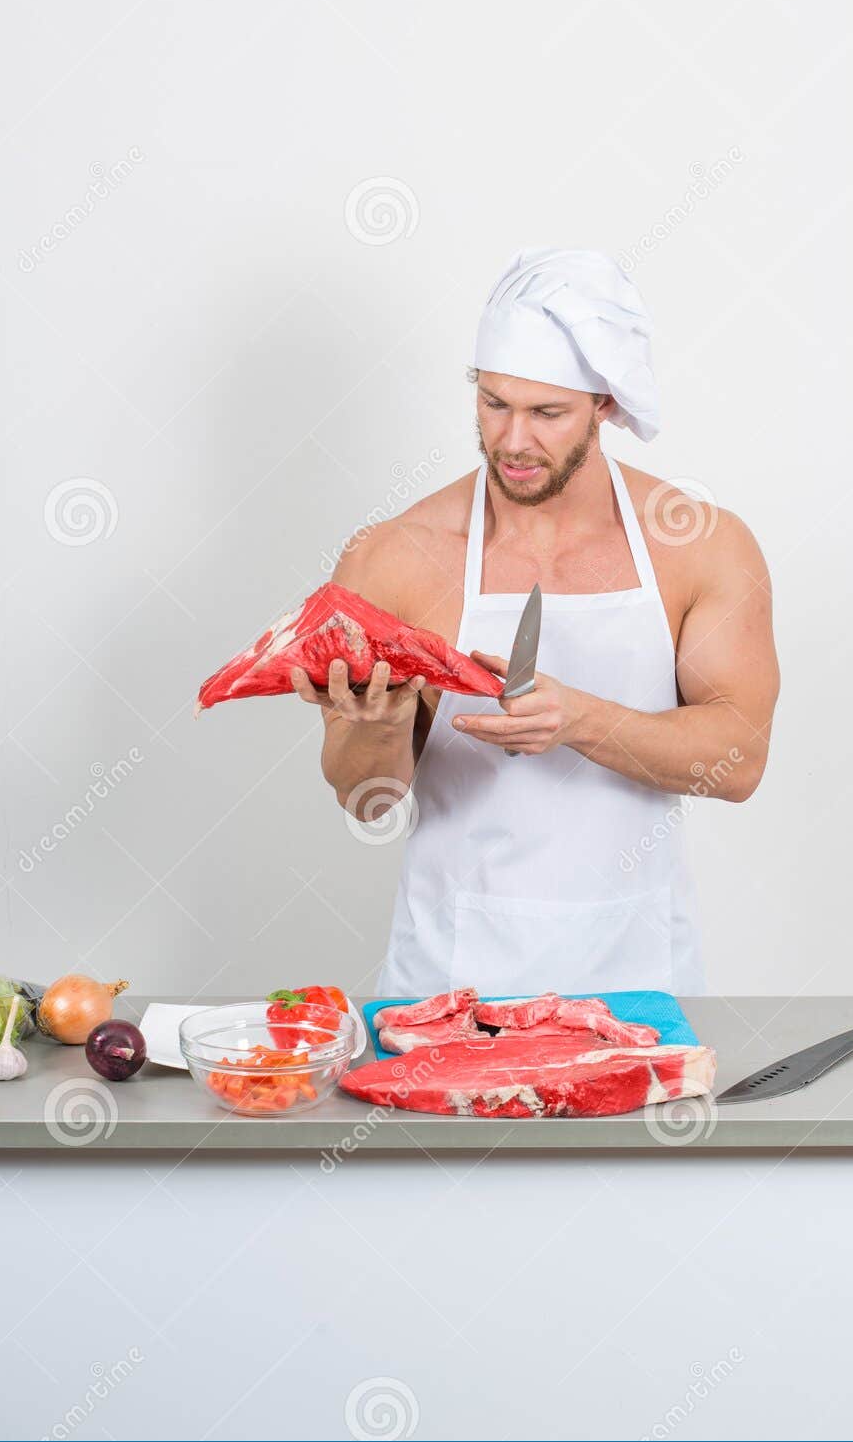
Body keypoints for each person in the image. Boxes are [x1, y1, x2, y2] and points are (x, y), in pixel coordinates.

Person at [293, 247, 780, 996]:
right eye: (494, 404)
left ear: (604, 404)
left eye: (547, 413)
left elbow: (739, 761)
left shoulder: (700, 544)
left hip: (639, 976)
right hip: (446, 979)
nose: (513, 441)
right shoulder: (394, 555)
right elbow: (366, 797)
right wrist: (378, 726)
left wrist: (576, 719)